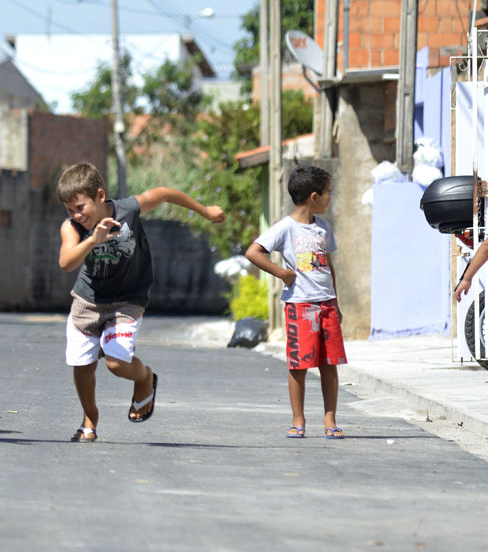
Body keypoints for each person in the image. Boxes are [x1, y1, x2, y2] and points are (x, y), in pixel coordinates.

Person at [57, 162, 224, 442]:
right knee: (82, 367)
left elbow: (165, 193)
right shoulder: (72, 227)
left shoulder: (129, 210)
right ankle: (89, 419)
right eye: (69, 209)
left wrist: (205, 211)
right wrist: (93, 240)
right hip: (88, 301)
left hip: (128, 299)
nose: (76, 214)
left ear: (100, 196)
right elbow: (66, 262)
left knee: (116, 363)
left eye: (80, 207)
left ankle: (144, 378)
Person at [245, 165, 346, 440]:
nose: (330, 197)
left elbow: (328, 266)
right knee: (299, 365)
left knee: (329, 363)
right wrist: (282, 273)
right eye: (328, 193)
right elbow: (254, 252)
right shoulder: (286, 228)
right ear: (314, 197)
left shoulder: (324, 228)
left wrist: (335, 302)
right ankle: (298, 419)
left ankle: (330, 419)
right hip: (300, 306)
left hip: (326, 305)